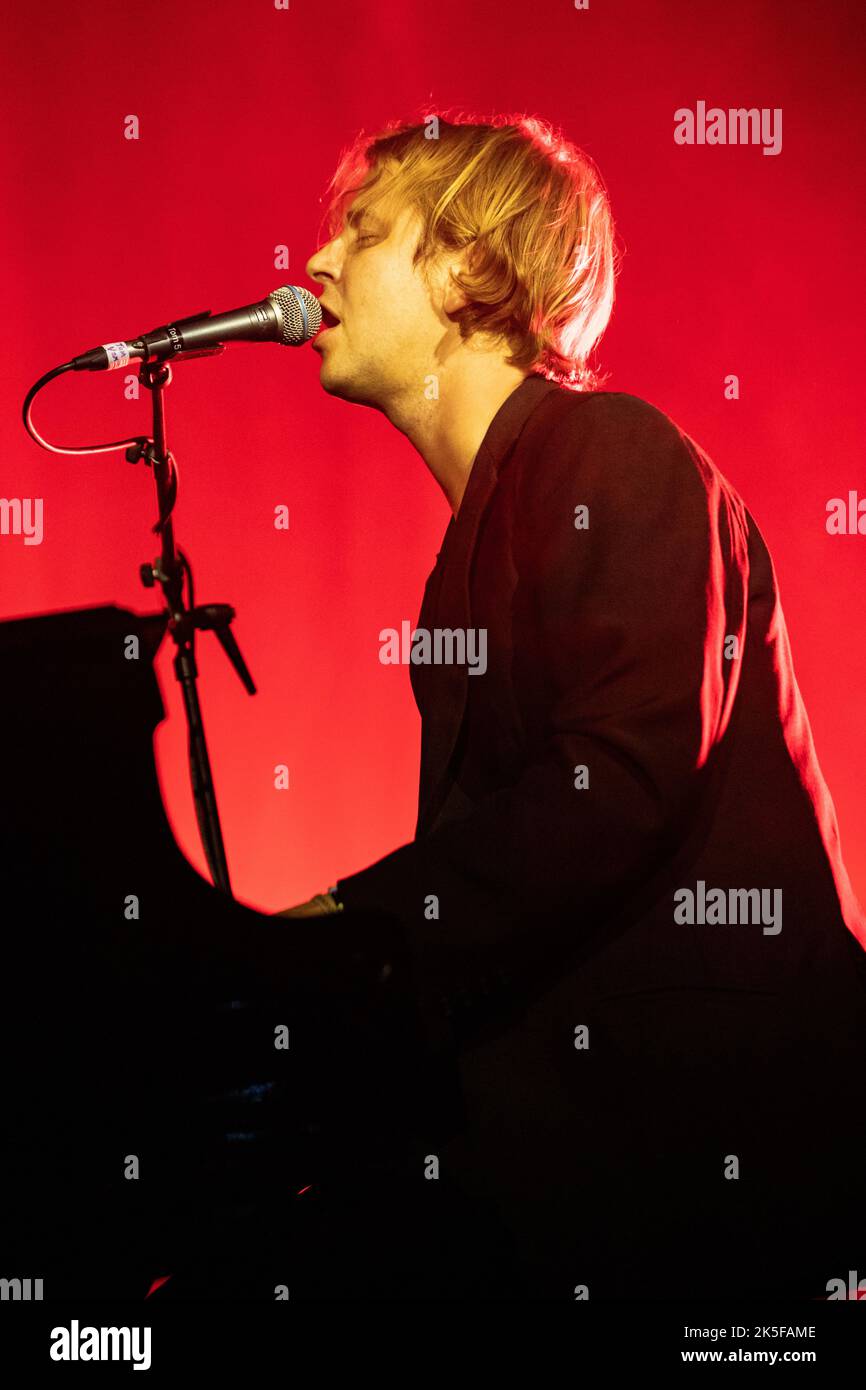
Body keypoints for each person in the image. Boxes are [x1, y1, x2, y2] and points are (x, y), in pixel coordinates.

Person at [276, 112, 866, 1299]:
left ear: (466, 266)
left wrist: (348, 917)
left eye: (362, 230)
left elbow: (616, 782)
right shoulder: (469, 547)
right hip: (584, 1158)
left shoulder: (611, 452)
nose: (316, 264)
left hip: (710, 1164)